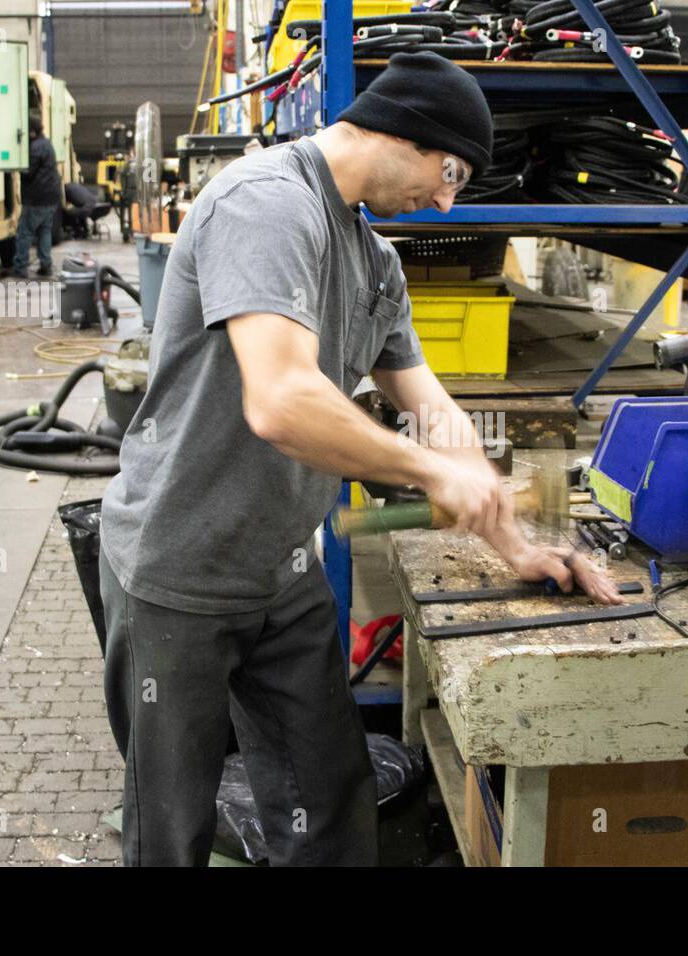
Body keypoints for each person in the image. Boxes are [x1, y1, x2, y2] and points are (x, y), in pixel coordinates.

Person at [98, 52, 623, 867]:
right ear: (399, 131)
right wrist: (425, 474)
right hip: (179, 571)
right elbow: (279, 401)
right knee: (170, 831)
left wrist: (514, 537)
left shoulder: (373, 259)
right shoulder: (267, 205)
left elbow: (433, 409)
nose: (446, 200)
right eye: (448, 171)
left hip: (283, 571)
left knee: (329, 805)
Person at [8, 113, 62, 278]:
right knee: (44, 231)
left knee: (25, 231)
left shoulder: (35, 147)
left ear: (31, 131)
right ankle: (46, 266)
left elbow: (29, 172)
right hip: (51, 196)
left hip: (37, 198)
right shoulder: (46, 144)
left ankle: (20, 267)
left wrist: (14, 168)